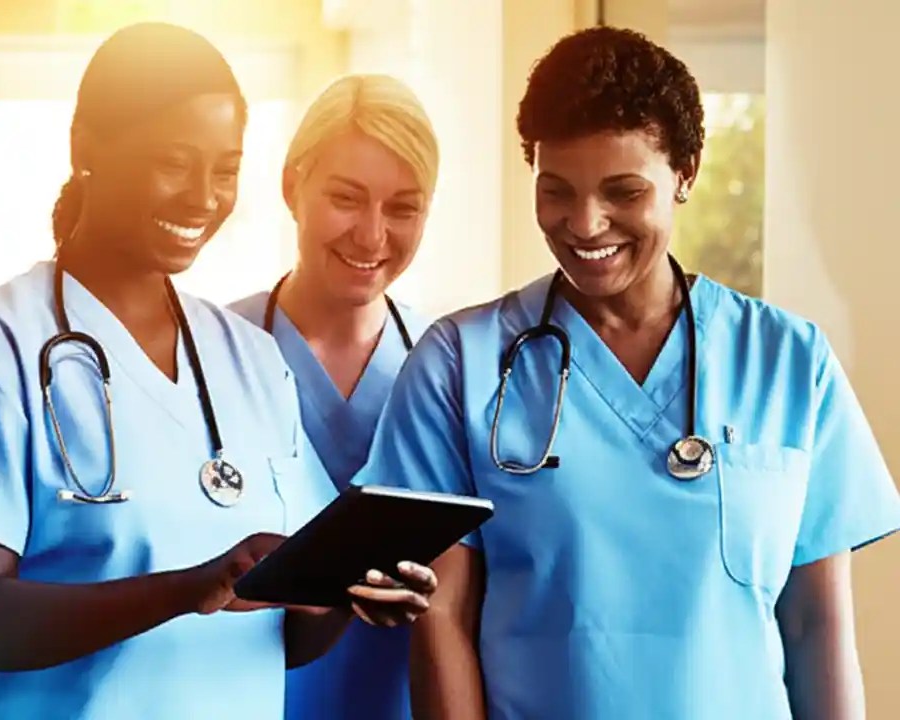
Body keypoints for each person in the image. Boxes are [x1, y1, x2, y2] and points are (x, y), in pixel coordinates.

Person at [0, 22, 437, 720]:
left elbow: (289, 636)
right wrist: (188, 589)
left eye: (225, 170)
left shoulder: (248, 359)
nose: (203, 198)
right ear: (84, 147)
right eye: (174, 162)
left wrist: (347, 593)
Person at [357, 26, 900, 720]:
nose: (585, 224)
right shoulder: (460, 363)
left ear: (686, 172)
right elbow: (444, 622)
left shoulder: (791, 363)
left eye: (622, 191)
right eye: (556, 190)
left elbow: (816, 627)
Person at [228, 73, 437, 720]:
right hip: (250, 696)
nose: (372, 237)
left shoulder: (447, 368)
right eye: (347, 198)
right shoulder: (213, 354)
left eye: (403, 208)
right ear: (293, 186)